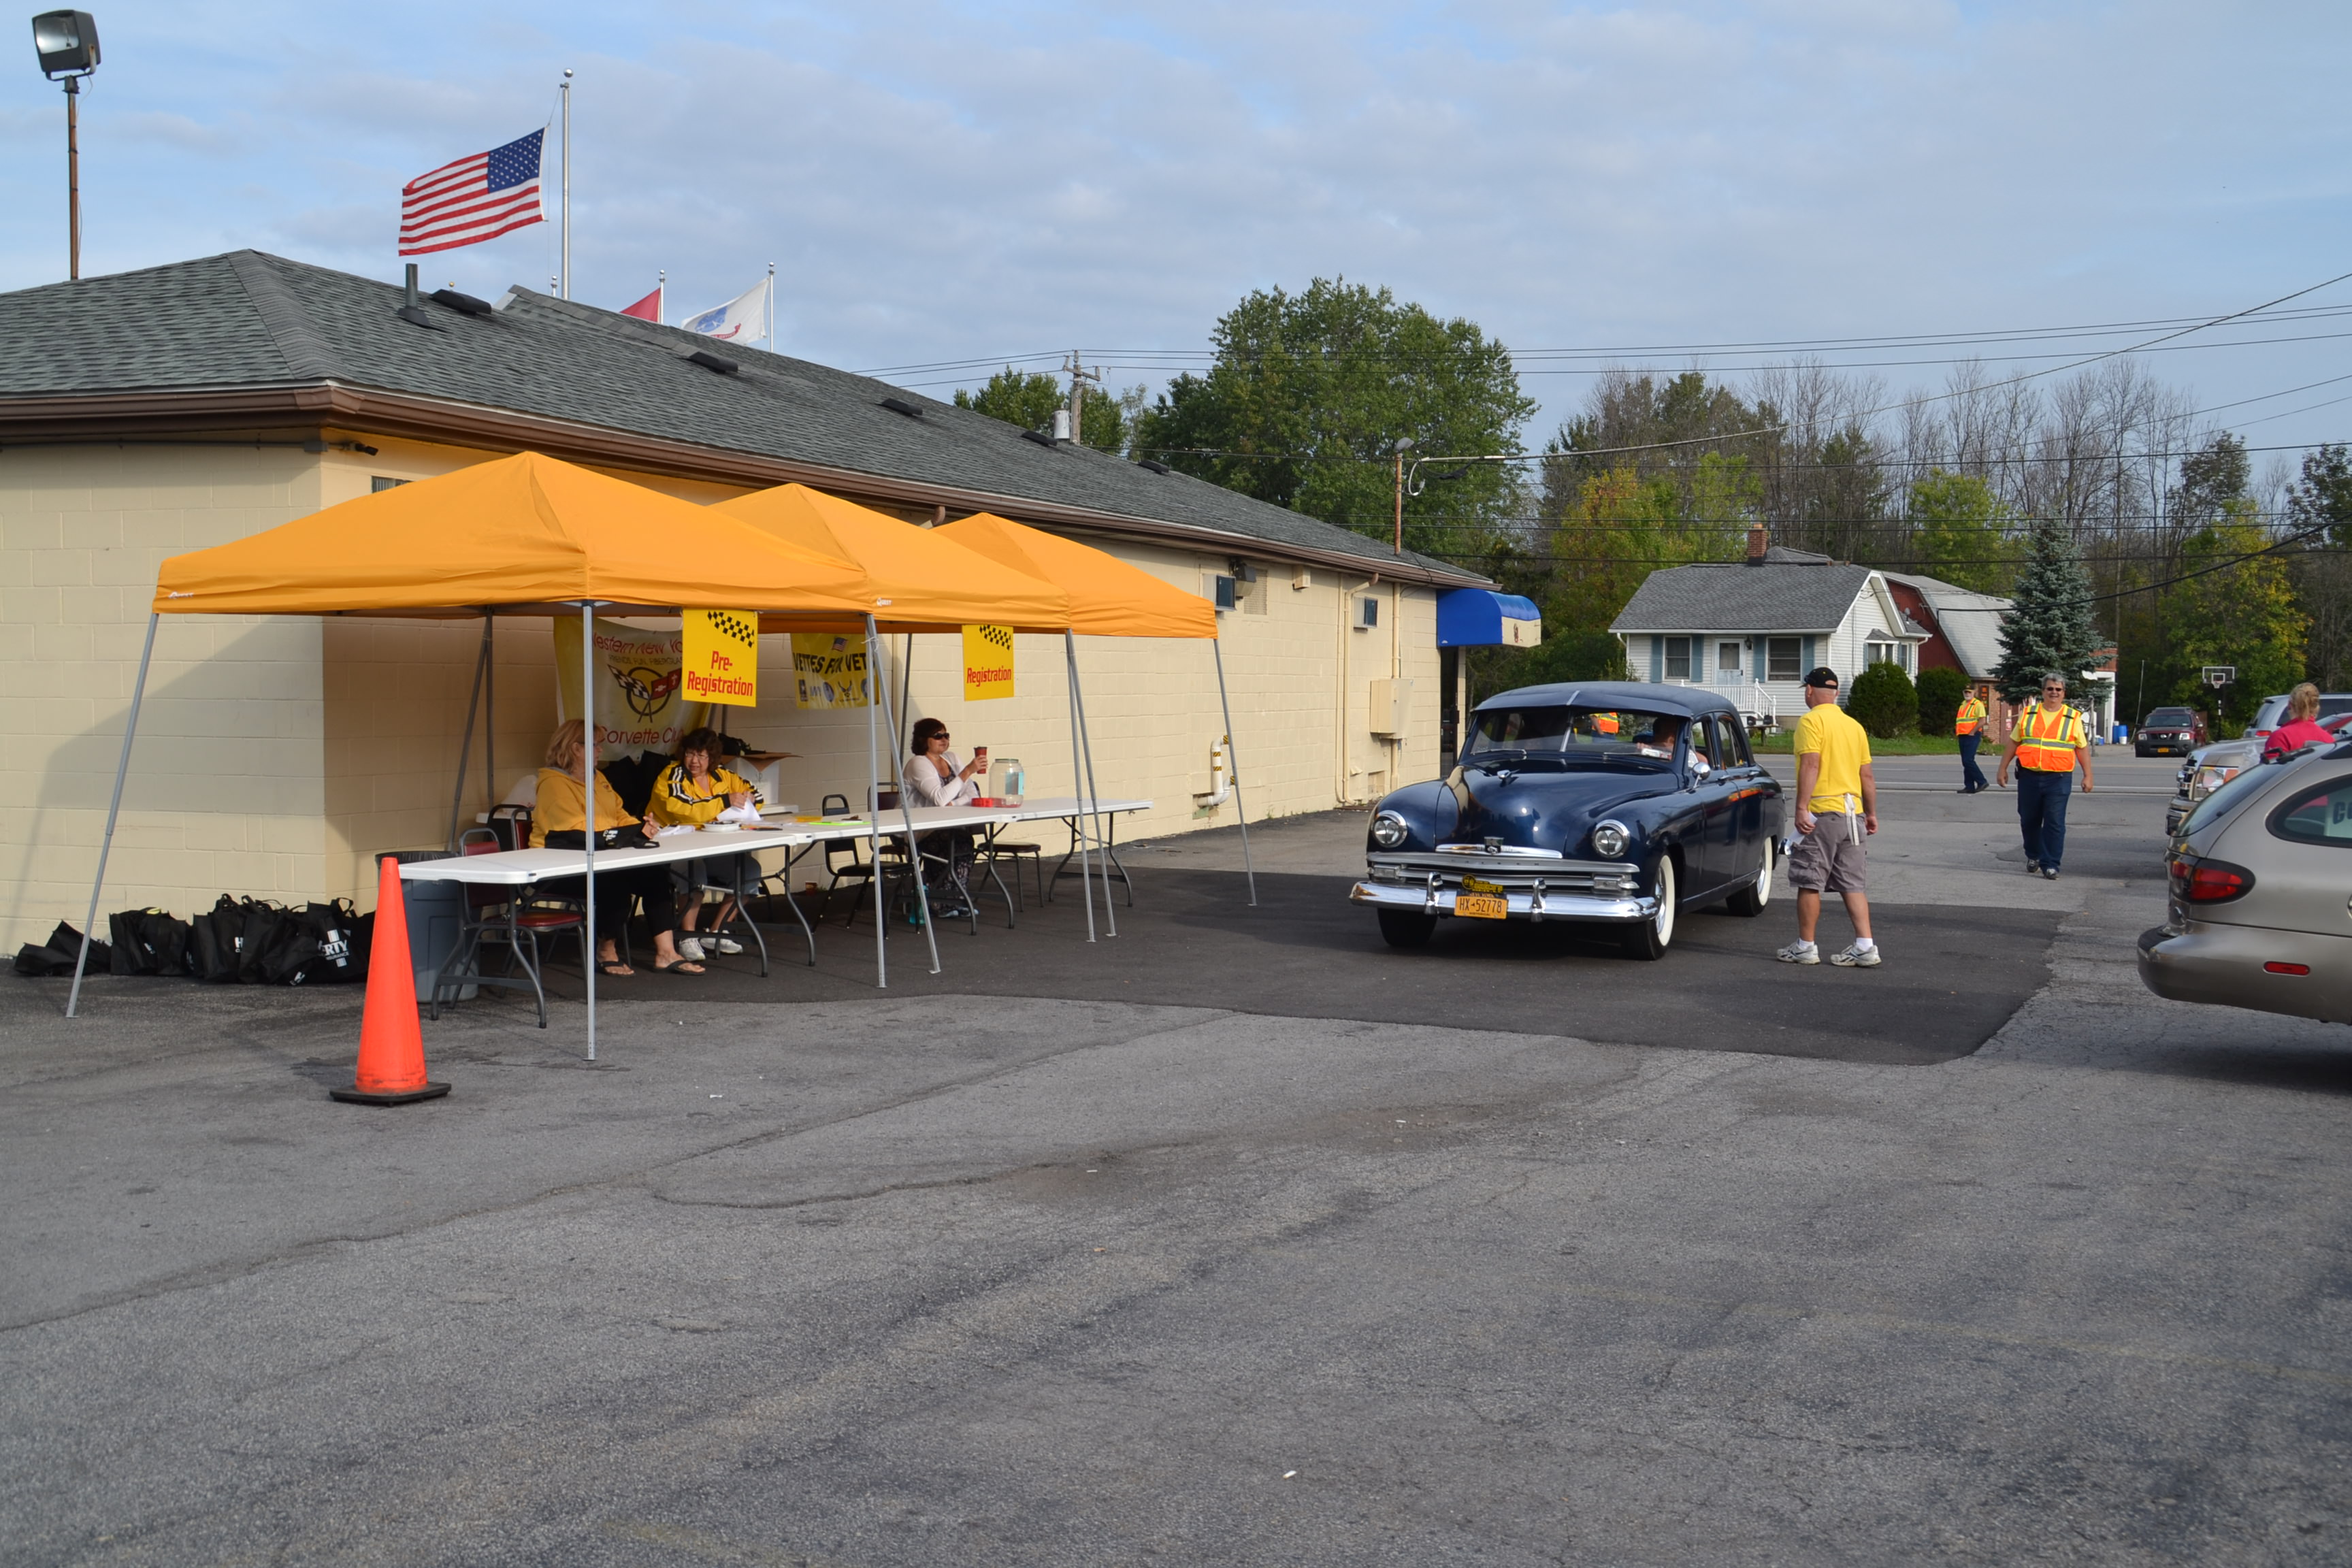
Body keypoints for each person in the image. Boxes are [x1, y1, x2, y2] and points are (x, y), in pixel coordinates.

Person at [532, 719, 704, 975]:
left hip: (601, 856)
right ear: (575, 749)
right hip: (558, 867)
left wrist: (641, 826)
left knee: (655, 876)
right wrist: (625, 834)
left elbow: (618, 813)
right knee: (615, 883)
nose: (601, 751)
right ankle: (606, 950)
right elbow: (575, 828)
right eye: (595, 745)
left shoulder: (597, 777)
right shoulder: (553, 784)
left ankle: (666, 953)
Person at [1777, 667, 1880, 968]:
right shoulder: (1853, 726)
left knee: (1810, 879)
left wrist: (1801, 808)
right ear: (1835, 693)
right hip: (1854, 814)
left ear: (1810, 691)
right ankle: (1865, 945)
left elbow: (1811, 764)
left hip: (1823, 811)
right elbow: (1867, 775)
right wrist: (1871, 813)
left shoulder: (1811, 721)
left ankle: (1806, 946)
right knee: (1852, 883)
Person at [644, 727, 762, 962]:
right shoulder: (673, 774)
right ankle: (688, 936)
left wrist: (747, 799)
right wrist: (725, 801)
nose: (694, 761)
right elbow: (684, 810)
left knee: (750, 870)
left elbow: (756, 796)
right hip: (671, 850)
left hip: (712, 848)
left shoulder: (722, 776)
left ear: (713, 758)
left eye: (701, 755)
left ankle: (717, 931)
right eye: (690, 753)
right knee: (693, 867)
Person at [1996, 672, 2094, 880]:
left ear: (2064, 693)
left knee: (2055, 822)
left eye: (2058, 690)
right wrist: (2002, 768)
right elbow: (2014, 742)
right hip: (2029, 777)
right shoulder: (2029, 714)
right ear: (2043, 692)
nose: (2054, 693)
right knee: (2029, 820)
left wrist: (2088, 775)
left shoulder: (2072, 717)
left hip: (2058, 779)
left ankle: (2051, 864)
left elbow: (2082, 748)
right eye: (2050, 689)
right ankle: (2034, 855)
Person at [902, 717, 988, 919]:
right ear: (924, 740)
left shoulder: (952, 758)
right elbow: (940, 798)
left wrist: (954, 803)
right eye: (938, 736)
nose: (944, 739)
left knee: (963, 840)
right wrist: (967, 772)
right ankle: (941, 902)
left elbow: (972, 794)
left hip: (948, 825)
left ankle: (952, 899)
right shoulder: (918, 763)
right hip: (920, 829)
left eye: (946, 735)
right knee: (954, 842)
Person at [2262, 683, 2334, 761]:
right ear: (2317, 708)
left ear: (2290, 705)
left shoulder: (2281, 737)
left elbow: (2270, 770)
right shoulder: (2329, 740)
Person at [1954, 688, 1991, 794]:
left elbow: (1982, 720)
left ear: (1975, 692)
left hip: (1972, 735)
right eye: (1965, 692)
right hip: (1963, 735)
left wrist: (1972, 732)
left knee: (1968, 760)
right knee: (1965, 761)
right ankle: (1969, 786)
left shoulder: (1977, 704)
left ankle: (1982, 782)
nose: (1967, 694)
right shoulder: (1963, 704)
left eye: (1969, 692)